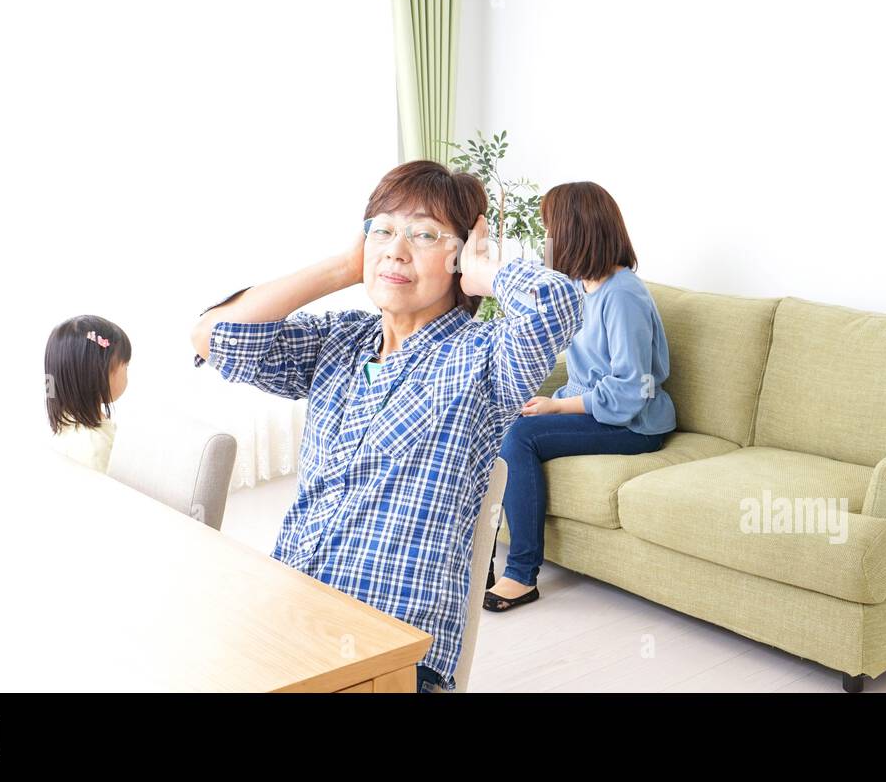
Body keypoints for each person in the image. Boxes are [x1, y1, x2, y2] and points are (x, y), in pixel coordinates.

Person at [190, 160, 583, 692]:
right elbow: (215, 338)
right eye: (384, 230)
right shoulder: (341, 342)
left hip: (389, 653)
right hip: (291, 612)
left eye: (424, 234)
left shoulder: (483, 358)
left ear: (460, 257)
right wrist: (341, 269)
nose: (398, 249)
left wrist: (486, 273)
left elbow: (558, 305)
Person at [485, 181, 677, 612]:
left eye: (550, 230)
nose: (546, 240)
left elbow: (630, 390)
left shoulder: (623, 295)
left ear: (575, 232)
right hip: (595, 409)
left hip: (634, 424)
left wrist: (555, 405)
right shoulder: (579, 287)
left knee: (521, 437)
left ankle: (521, 574)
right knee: (495, 420)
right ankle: (482, 558)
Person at [45, 316, 132, 474]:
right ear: (98, 373)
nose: (127, 371)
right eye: (126, 365)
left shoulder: (67, 425)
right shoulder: (94, 446)